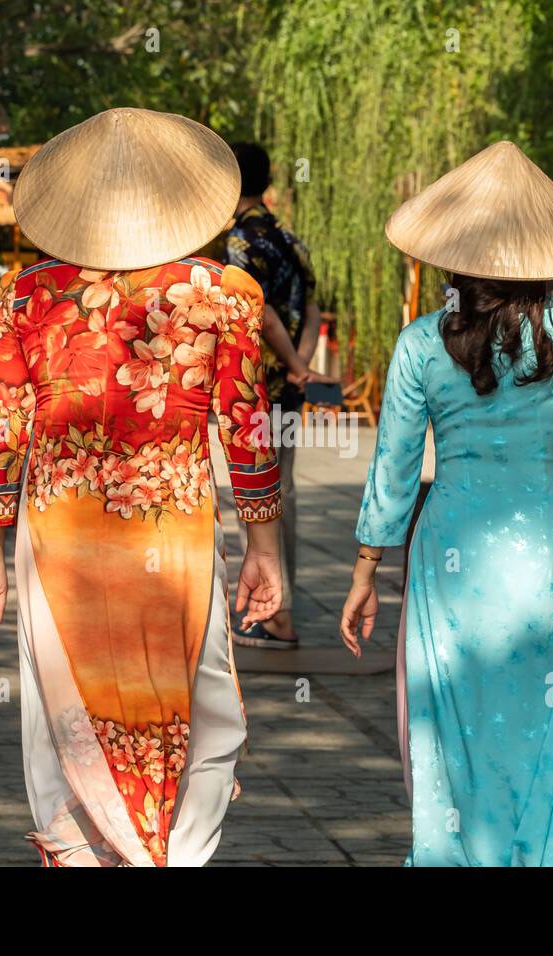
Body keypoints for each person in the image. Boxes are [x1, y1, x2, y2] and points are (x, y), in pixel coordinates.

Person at [0, 108, 283, 867]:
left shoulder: (25, 295)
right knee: (199, 713)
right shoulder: (226, 292)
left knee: (59, 712)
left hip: (57, 540)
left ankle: (82, 856)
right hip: (174, 538)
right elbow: (247, 430)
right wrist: (265, 548)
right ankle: (177, 856)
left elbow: (1, 432)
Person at [340, 141, 553, 866]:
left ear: (453, 256)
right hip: (551, 562)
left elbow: (394, 470)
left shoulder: (420, 343)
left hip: (452, 561)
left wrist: (364, 570)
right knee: (549, 735)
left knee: (448, 737)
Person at [225, 142, 326, 650]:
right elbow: (313, 306)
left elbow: (259, 316)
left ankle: (273, 612)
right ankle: (280, 604)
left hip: (255, 386)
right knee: (282, 491)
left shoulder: (239, 243)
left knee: (255, 493)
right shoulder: (289, 236)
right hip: (289, 389)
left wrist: (287, 362)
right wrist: (302, 365)